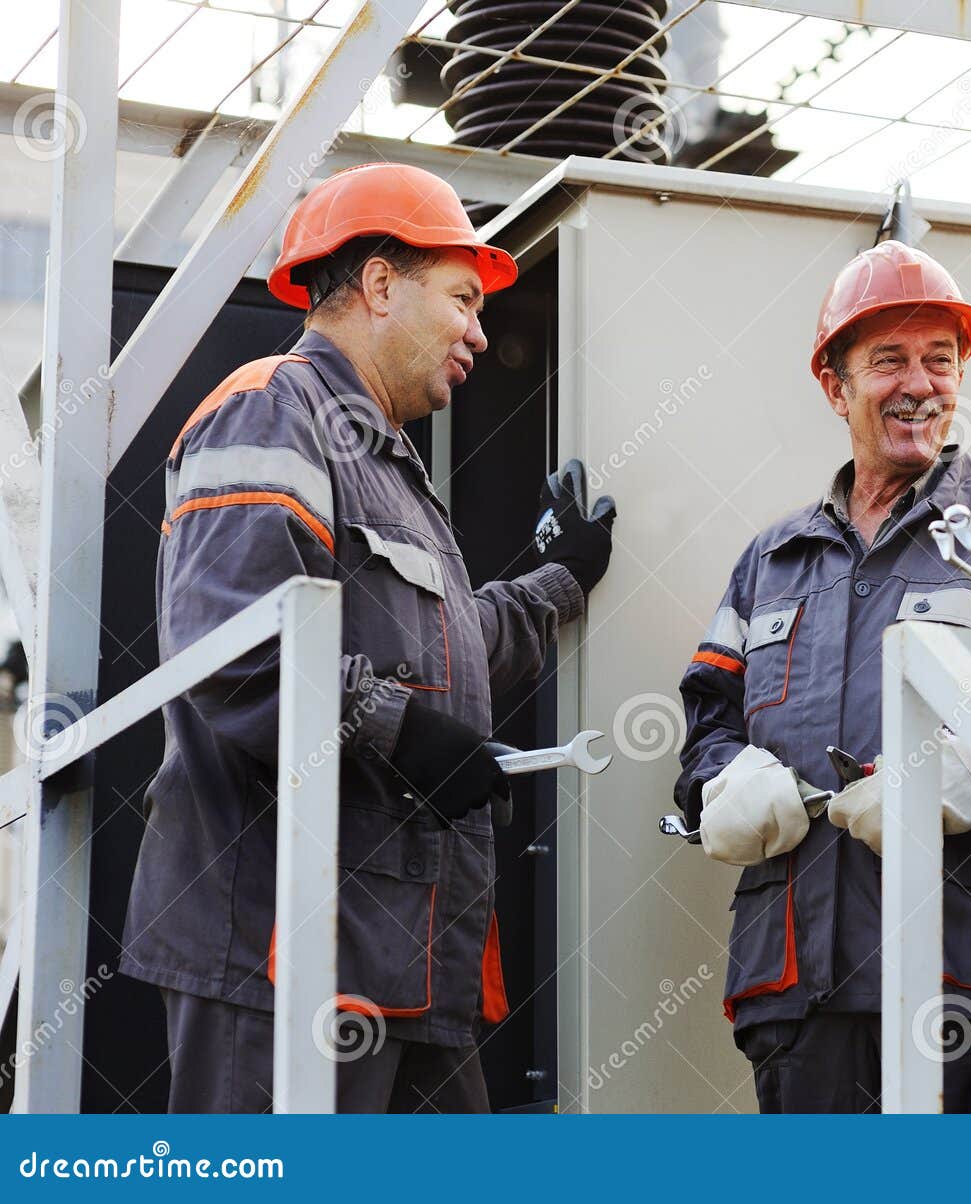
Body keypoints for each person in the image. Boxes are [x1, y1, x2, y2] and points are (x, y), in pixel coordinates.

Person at [121, 163, 617, 1113]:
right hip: (279, 952)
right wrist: (407, 735)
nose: (480, 333)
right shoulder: (272, 406)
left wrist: (559, 579)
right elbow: (234, 648)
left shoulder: (387, 463)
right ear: (382, 285)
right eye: (464, 299)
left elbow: (448, 651)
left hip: (401, 951)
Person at [673, 240, 971, 1113]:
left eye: (941, 360)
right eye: (889, 360)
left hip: (963, 981)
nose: (919, 384)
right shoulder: (772, 561)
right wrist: (723, 780)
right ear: (835, 386)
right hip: (797, 989)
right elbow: (708, 718)